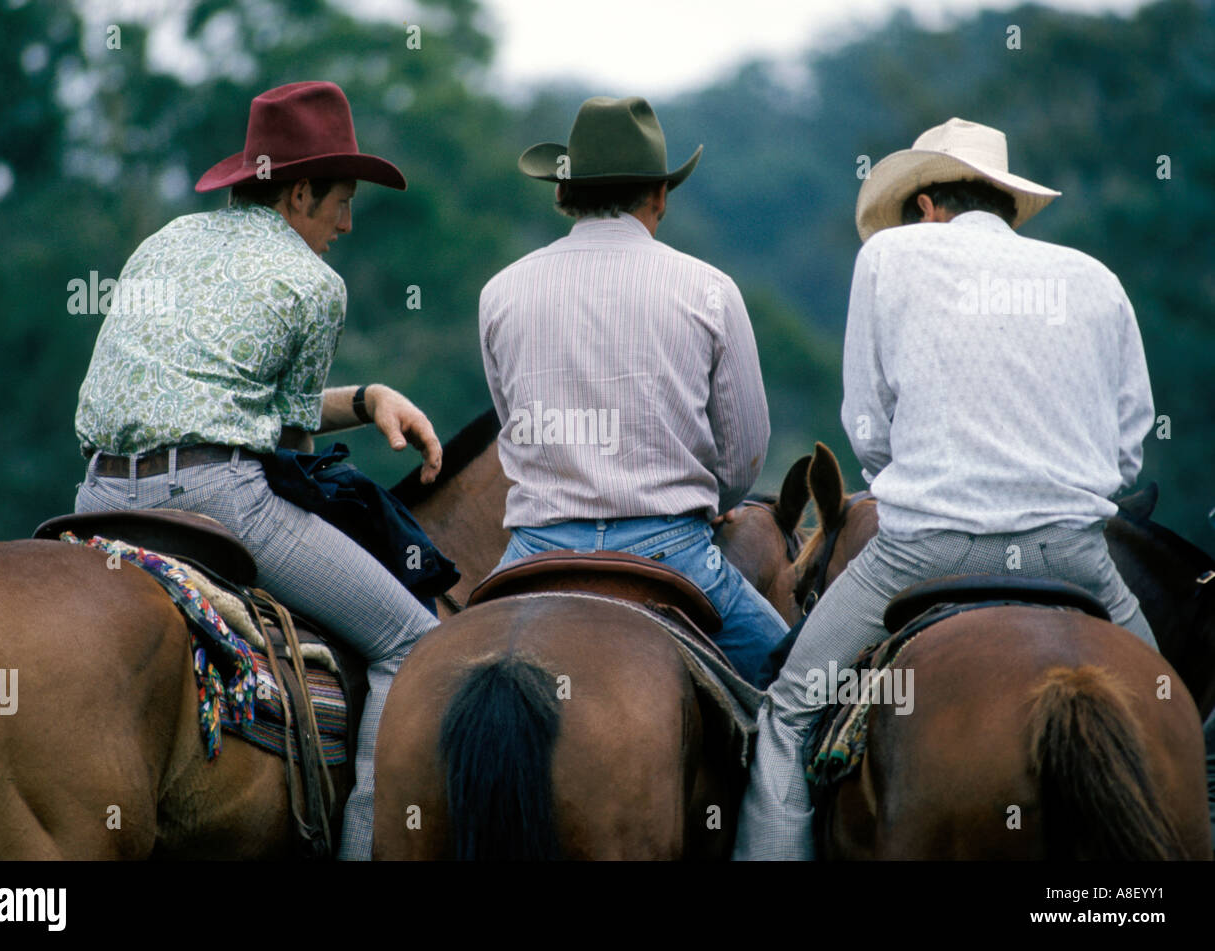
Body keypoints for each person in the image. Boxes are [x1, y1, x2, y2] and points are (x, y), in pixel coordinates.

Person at [734, 117, 1159, 859]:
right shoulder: (1095, 278)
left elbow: (869, 429)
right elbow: (1128, 454)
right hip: (1073, 555)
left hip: (924, 551)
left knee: (791, 709)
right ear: (1005, 203)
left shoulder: (888, 255)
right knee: (1168, 704)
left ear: (927, 205)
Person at [72, 81, 442, 861]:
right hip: (217, 501)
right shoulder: (314, 284)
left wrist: (368, 398)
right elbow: (292, 455)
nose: (346, 224)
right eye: (342, 202)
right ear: (300, 192)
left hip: (96, 495)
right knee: (413, 643)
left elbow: (234, 401)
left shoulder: (167, 240)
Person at [478, 96, 790, 688]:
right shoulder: (711, 290)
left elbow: (512, 424)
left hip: (536, 553)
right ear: (660, 195)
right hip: (674, 553)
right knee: (801, 687)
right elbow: (746, 453)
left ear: (563, 193)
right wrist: (712, 495)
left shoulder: (500, 292)